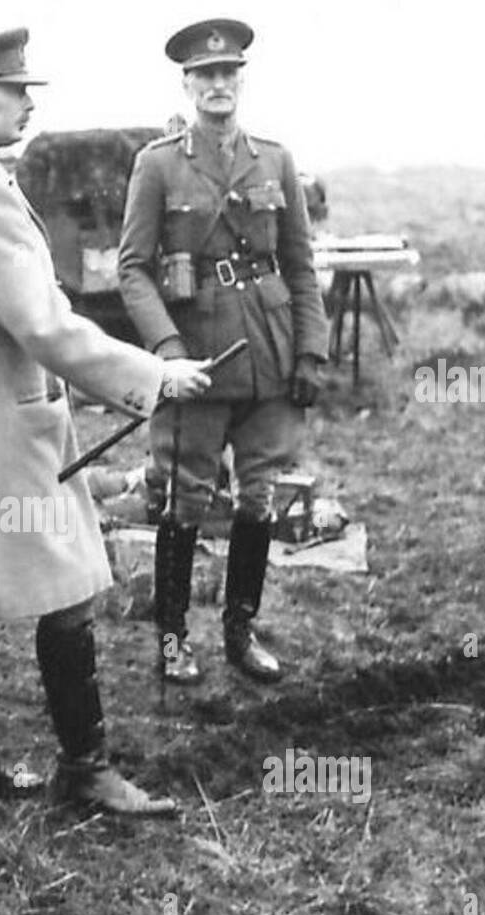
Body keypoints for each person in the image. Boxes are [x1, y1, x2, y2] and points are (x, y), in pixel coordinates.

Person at [0, 29, 212, 816]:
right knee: (68, 587)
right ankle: (85, 770)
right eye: (14, 89)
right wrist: (152, 376)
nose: (28, 102)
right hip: (1, 418)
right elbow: (46, 328)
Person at [119, 19, 329, 686]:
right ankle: (174, 638)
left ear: (241, 80)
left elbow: (299, 265)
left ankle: (240, 631)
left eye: (227, 73)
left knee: (259, 497)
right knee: (185, 496)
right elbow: (132, 268)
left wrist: (310, 353)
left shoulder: (275, 159)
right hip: (198, 358)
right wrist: (167, 351)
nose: (217, 85)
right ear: (186, 84)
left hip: (268, 351)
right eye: (204, 75)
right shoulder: (157, 163)